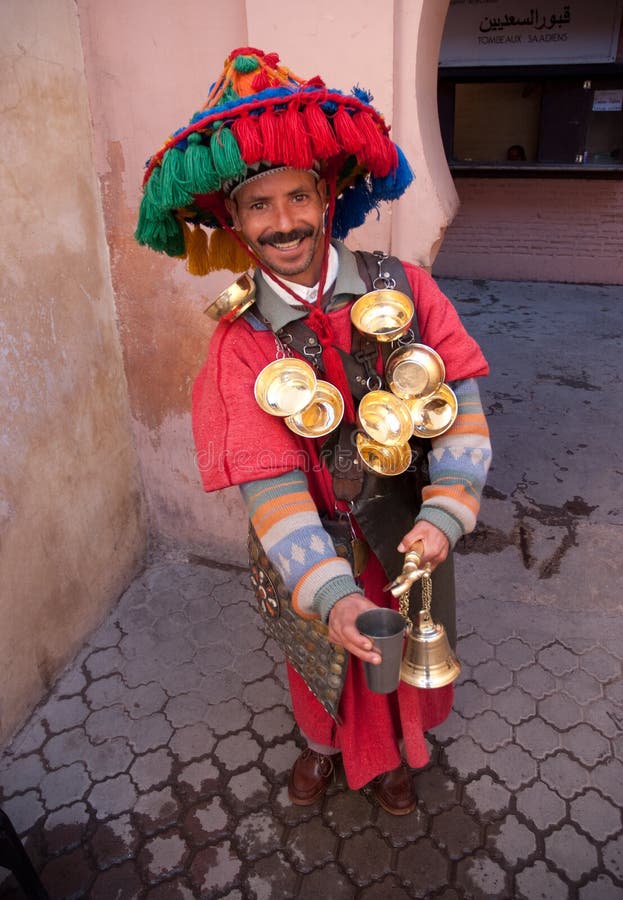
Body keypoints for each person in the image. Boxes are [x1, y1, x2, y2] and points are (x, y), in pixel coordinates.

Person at [136, 47, 491, 815]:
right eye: (258, 206)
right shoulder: (238, 340)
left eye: (296, 196)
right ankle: (323, 748)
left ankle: (400, 757)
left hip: (408, 530)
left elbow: (459, 406)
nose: (283, 223)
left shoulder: (408, 288)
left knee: (407, 653)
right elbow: (268, 478)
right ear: (232, 222)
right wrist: (326, 590)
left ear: (326, 195)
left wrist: (446, 513)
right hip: (309, 549)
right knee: (322, 660)